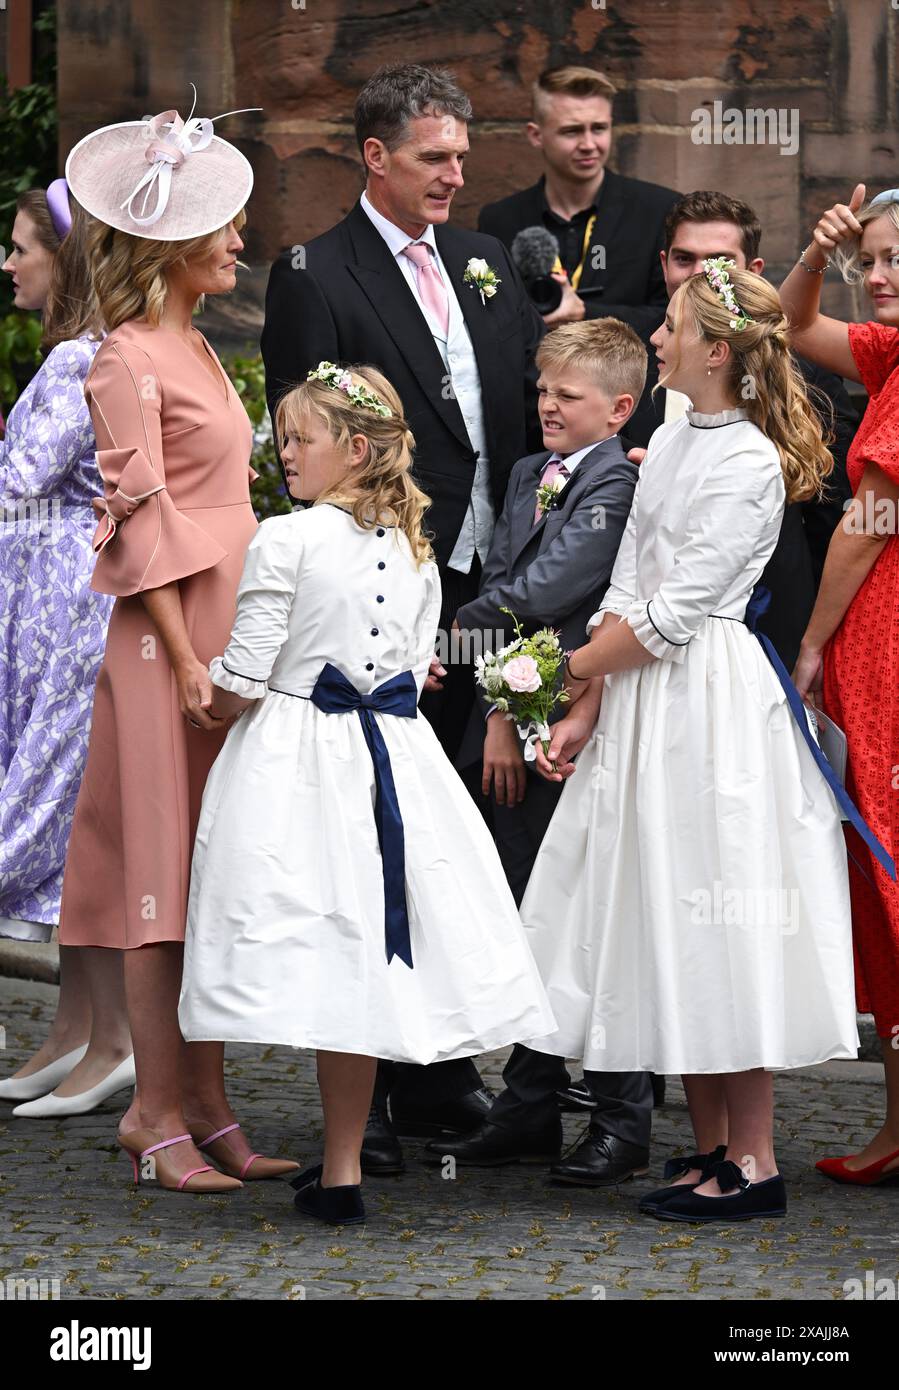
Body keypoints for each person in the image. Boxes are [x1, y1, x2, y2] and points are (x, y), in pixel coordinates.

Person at [516, 262, 859, 1223]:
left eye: (668, 328)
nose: (653, 340)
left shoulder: (748, 461)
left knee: (721, 917)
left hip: (707, 705)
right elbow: (629, 579)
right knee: (669, 914)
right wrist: (584, 707)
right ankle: (707, 1148)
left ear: (714, 350)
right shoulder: (667, 434)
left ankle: (753, 1162)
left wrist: (575, 670)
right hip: (641, 699)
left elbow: (675, 614)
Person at [177, 362, 556, 1225]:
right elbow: (414, 667)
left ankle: (333, 1163)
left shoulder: (287, 538)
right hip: (392, 757)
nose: (285, 457)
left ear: (353, 448)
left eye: (299, 440)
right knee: (362, 959)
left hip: (297, 763)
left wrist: (203, 689)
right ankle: (341, 1169)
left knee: (314, 943)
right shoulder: (414, 550)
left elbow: (248, 670)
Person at [261, 61, 546, 1159]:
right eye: (433, 156)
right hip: (384, 603)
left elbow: (516, 416)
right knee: (368, 836)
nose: (454, 174)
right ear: (373, 156)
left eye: (461, 157)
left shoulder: (482, 264)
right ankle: (367, 1094)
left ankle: (437, 1073)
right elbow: (307, 459)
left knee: (458, 835)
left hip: (486, 591)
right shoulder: (314, 274)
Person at [57, 95, 297, 1193]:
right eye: (225, 222)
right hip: (166, 645)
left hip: (222, 627)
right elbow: (138, 516)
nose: (243, 239)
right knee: (158, 881)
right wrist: (188, 655)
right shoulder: (122, 358)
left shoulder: (191, 337)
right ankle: (151, 1111)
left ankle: (206, 1100)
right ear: (171, 240)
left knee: (210, 873)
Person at [435, 318, 652, 1185]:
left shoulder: (618, 483)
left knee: (593, 917)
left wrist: (453, 632)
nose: (546, 405)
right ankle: (526, 1106)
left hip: (578, 713)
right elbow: (499, 571)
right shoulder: (528, 472)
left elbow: (562, 578)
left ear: (619, 408)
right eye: (541, 391)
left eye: (567, 394)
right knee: (526, 910)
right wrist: (493, 706)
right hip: (509, 706)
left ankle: (620, 1112)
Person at [0, 181, 134, 1116]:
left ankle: (117, 1040)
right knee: (77, 834)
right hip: (50, 606)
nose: (8, 262)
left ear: (67, 258)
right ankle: (76, 1033)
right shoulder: (78, 357)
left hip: (65, 612)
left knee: (73, 823)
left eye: (20, 246)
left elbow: (15, 481)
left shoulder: (76, 362)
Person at [785, 185, 899, 1185]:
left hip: (885, 654)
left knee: (893, 869)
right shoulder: (885, 355)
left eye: (891, 258)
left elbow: (866, 528)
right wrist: (814, 251)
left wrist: (811, 645)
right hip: (877, 658)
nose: (876, 275)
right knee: (880, 876)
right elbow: (788, 325)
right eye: (868, 257)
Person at [641, 189, 857, 669]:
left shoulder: (808, 374)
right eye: (684, 259)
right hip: (638, 620)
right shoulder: (633, 353)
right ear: (664, 264)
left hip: (766, 626)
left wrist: (820, 642)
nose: (699, 274)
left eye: (719, 261)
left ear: (753, 271)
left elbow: (831, 518)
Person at [478, 65, 679, 447]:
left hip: (628, 423)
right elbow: (489, 325)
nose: (589, 144)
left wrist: (584, 312)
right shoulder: (500, 219)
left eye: (599, 128)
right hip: (533, 426)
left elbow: (673, 315)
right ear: (535, 135)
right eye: (572, 131)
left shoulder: (658, 210)